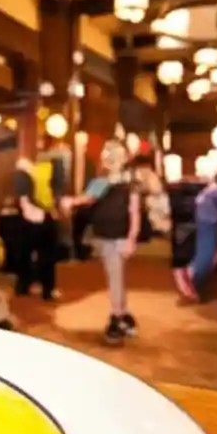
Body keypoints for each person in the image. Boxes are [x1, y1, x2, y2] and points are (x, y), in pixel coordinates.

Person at [77, 140, 141, 345]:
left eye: (116, 153)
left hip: (120, 235)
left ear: (124, 157)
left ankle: (117, 316)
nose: (111, 156)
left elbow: (135, 212)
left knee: (115, 276)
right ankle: (122, 314)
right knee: (115, 275)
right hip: (104, 235)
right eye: (108, 152)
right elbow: (87, 199)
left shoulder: (130, 182)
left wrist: (132, 238)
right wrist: (69, 201)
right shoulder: (101, 182)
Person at [174, 169, 217, 301]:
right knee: (206, 255)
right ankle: (187, 275)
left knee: (208, 253)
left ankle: (189, 278)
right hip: (209, 223)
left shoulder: (211, 189)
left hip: (204, 221)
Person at [12, 155, 61, 300]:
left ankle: (23, 286)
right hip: (45, 215)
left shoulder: (22, 171)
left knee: (25, 254)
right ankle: (47, 289)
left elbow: (23, 197)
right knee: (47, 256)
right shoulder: (49, 168)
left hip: (29, 217)